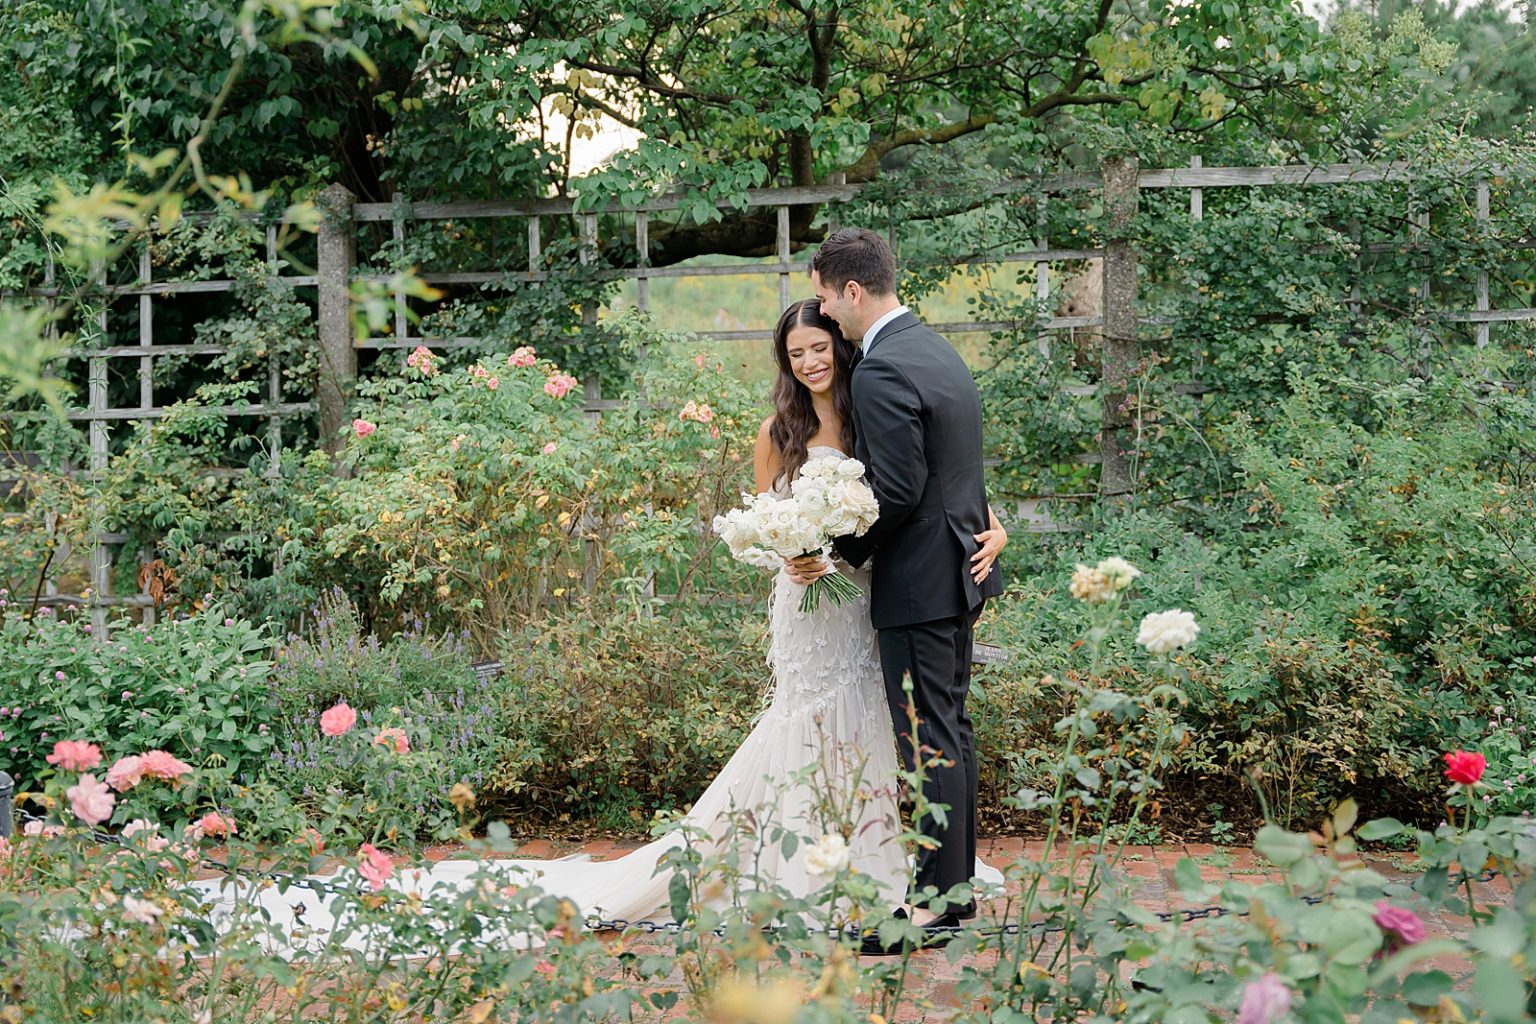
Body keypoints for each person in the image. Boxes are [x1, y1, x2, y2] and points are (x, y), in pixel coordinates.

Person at [190, 299, 1006, 953]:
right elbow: (763, 523)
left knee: (868, 724)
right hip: (807, 601)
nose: (811, 360)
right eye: (796, 353)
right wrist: (786, 556)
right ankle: (788, 869)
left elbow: (923, 483)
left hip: (864, 597)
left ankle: (877, 863)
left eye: (820, 344)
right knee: (803, 722)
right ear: (785, 363)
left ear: (840, 340)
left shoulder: (871, 412)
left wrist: (990, 528)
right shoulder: (777, 434)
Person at [791, 228, 1005, 952]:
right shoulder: (935, 350)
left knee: (928, 743)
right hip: (957, 573)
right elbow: (954, 470)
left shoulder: (882, 370)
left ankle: (934, 907)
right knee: (951, 733)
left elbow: (901, 489)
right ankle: (956, 893)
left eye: (824, 297)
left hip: (917, 583)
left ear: (853, 291)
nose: (825, 313)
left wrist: (839, 551)